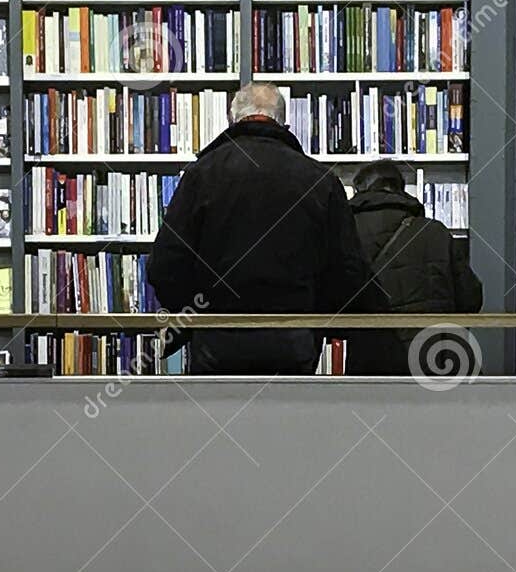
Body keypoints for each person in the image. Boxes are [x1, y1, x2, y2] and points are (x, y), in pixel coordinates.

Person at [147, 83, 382, 374]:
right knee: (286, 418)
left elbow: (165, 265)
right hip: (294, 336)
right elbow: (347, 270)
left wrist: (195, 313)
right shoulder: (320, 180)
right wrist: (317, 317)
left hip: (217, 335)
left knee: (218, 416)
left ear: (232, 119)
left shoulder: (201, 175)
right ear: (284, 123)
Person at [344, 159, 484, 375]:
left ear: (359, 191)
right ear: (400, 189)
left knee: (372, 408)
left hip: (372, 359)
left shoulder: (347, 235)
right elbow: (470, 299)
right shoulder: (435, 232)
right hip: (434, 356)